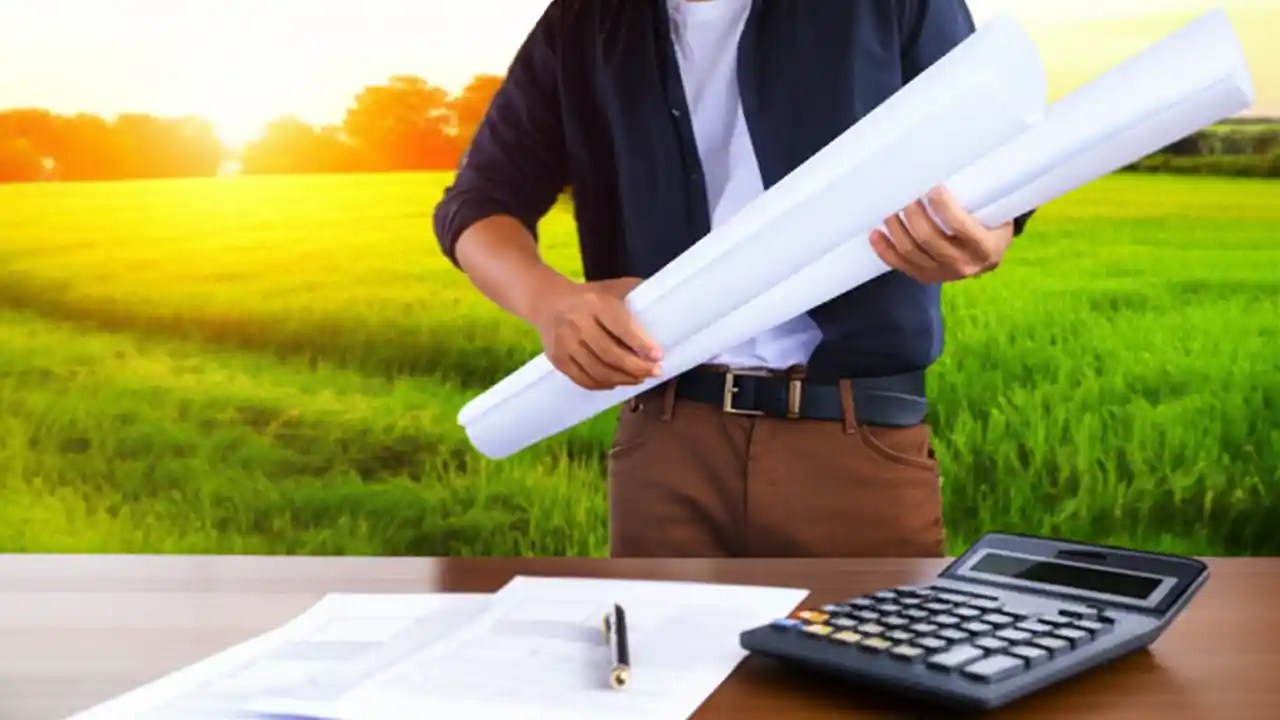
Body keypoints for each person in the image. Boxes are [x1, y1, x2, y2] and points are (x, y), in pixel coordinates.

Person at [433, 0, 1032, 559]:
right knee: (653, 643)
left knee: (874, 644)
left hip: (856, 442)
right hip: (664, 444)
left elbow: (992, 147)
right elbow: (478, 202)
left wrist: (990, 235)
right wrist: (548, 301)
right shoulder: (585, 21)